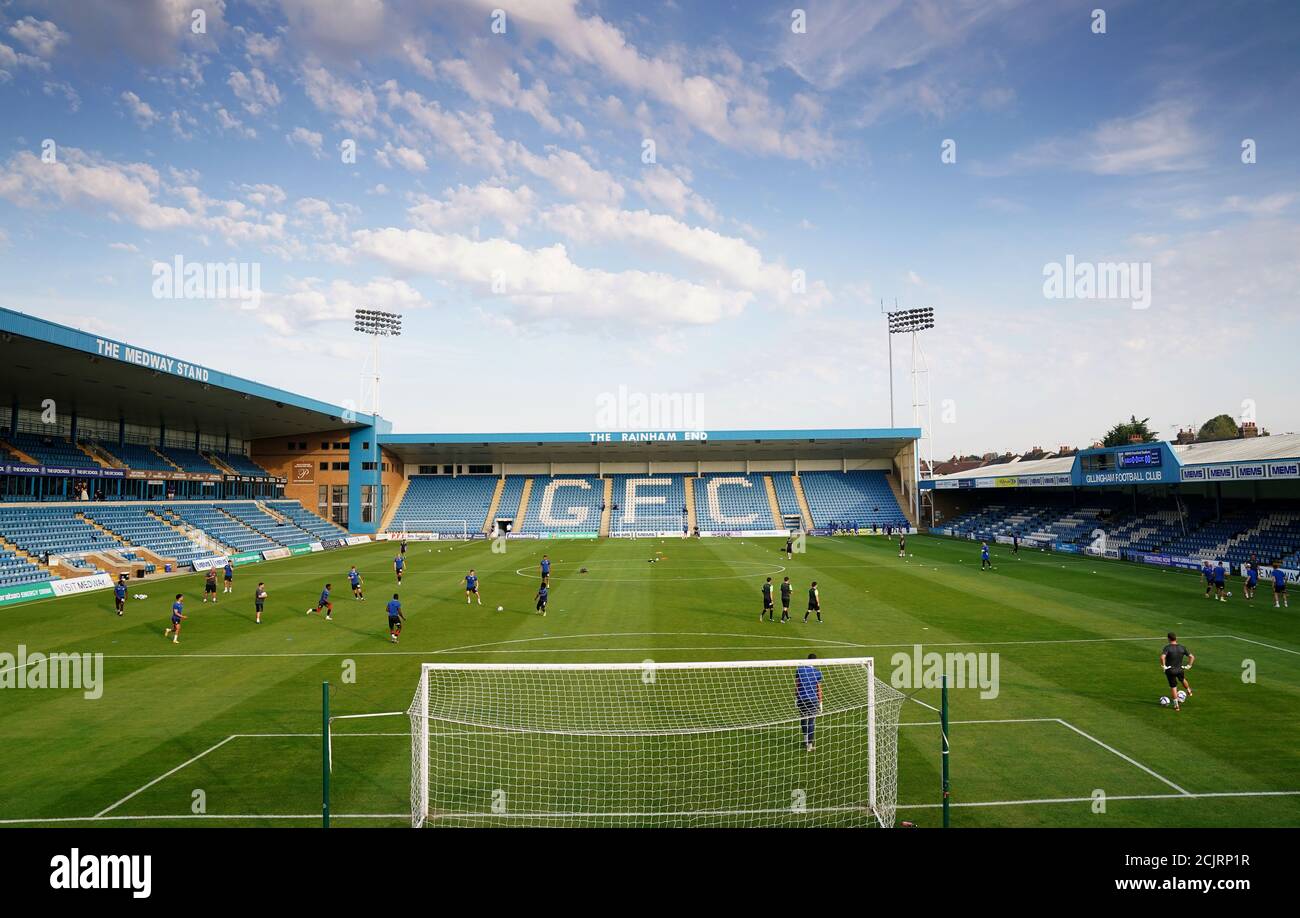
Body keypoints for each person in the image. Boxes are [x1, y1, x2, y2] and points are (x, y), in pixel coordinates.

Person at [795, 654, 823, 752]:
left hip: (802, 699)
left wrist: (796, 698)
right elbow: (819, 689)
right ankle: (810, 745)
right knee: (811, 721)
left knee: (803, 719)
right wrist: (820, 702)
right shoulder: (817, 672)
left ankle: (805, 740)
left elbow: (797, 685)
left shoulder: (800, 670)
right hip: (813, 699)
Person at [1160, 632, 1194, 712]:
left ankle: (1176, 706)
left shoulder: (1167, 648)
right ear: (1176, 638)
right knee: (1182, 679)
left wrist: (1164, 666)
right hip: (1180, 669)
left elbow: (1162, 657)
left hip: (1170, 670)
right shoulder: (1182, 647)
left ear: (1168, 639)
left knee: (1173, 687)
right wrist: (1189, 665)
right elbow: (1192, 657)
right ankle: (1189, 690)